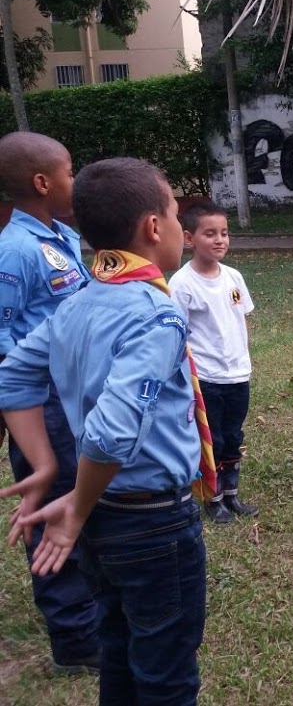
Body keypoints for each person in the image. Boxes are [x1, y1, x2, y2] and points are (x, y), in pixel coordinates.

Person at [0, 157, 208, 705]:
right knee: (167, 668)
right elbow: (112, 434)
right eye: (173, 212)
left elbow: (12, 376)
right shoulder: (157, 316)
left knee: (118, 646)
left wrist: (49, 468)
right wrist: (75, 510)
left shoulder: (75, 305)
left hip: (102, 523)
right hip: (153, 523)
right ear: (154, 227)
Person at [0, 131, 100, 674]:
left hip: (74, 396)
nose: (74, 179)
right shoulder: (13, 251)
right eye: (69, 170)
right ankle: (75, 640)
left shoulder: (60, 233)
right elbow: (3, 341)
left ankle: (93, 606)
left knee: (80, 499)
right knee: (51, 503)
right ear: (42, 183)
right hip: (41, 408)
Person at [171, 200, 258, 524]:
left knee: (233, 435)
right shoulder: (182, 284)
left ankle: (232, 495)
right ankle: (213, 498)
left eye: (224, 233)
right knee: (213, 439)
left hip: (237, 374)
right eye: (210, 234)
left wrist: (244, 358)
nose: (220, 239)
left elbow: (241, 320)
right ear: (190, 238)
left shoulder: (233, 277)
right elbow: (177, 334)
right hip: (205, 377)